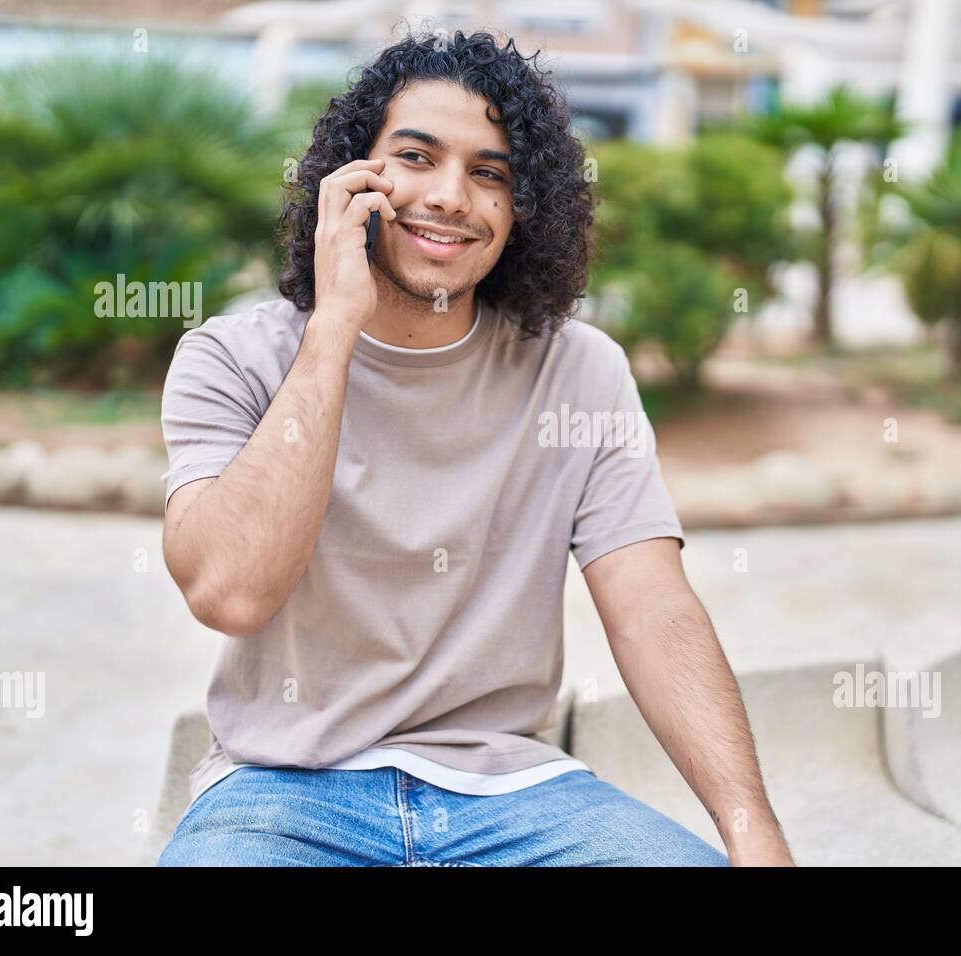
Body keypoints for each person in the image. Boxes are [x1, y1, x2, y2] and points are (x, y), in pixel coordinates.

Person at [156, 27, 793, 867]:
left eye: (489, 173)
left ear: (523, 208)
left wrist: (754, 832)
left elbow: (652, 611)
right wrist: (336, 325)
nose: (452, 196)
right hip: (282, 790)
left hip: (516, 793)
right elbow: (231, 593)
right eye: (416, 158)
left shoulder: (579, 370)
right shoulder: (234, 359)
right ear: (351, 178)